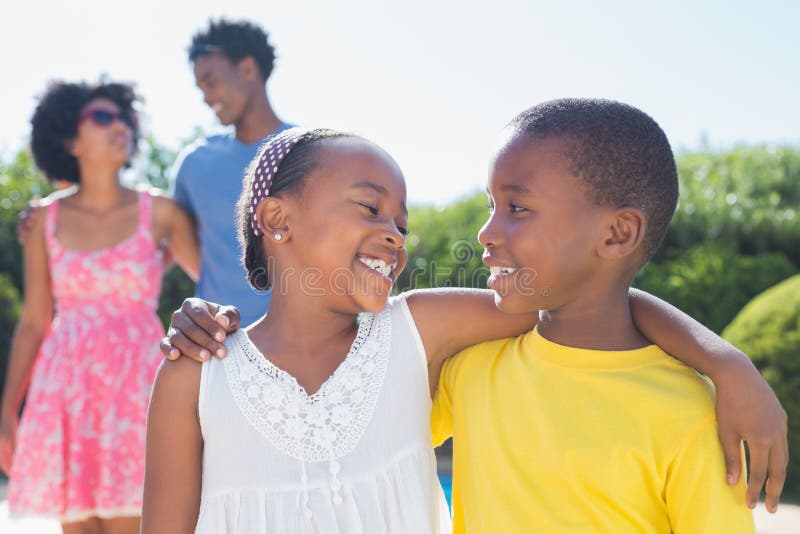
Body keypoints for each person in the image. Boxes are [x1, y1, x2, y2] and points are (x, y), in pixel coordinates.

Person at [145, 127, 785, 533]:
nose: (394, 234)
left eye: (401, 220)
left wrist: (725, 362)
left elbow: (581, 294)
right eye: (371, 208)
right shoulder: (197, 372)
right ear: (276, 219)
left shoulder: (421, 331)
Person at [428, 99, 763, 532]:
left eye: (518, 208)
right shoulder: (470, 369)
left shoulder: (690, 413)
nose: (486, 233)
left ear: (617, 233)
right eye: (491, 205)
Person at [0, 80, 199, 534]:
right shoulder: (44, 220)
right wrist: (7, 411)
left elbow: (213, 279)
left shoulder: (162, 214)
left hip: (138, 387)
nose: (120, 128)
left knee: (136, 521)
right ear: (70, 140)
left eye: (124, 119)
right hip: (68, 388)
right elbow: (33, 321)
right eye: (102, 118)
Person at [171, 18, 294, 325]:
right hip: (220, 345)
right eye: (200, 88)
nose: (206, 97)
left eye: (210, 82)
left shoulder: (311, 150)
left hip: (306, 347)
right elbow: (171, 236)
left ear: (248, 69)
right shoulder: (193, 164)